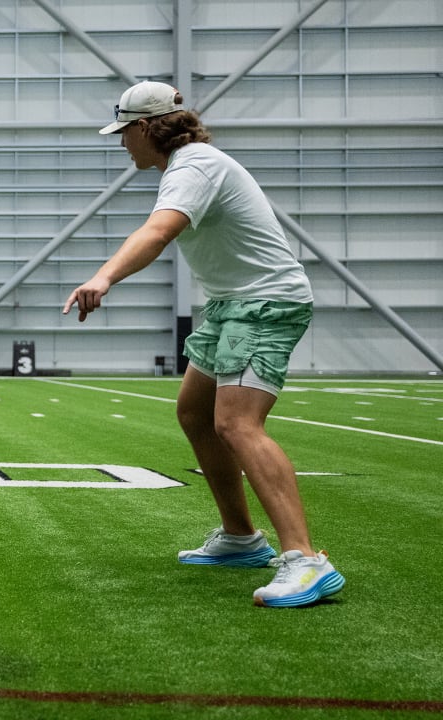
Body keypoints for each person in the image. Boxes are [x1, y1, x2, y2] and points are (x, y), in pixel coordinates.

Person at [62, 81, 344, 608]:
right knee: (194, 413)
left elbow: (159, 231)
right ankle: (240, 539)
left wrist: (103, 277)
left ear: (145, 128)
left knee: (237, 424)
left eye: (124, 133)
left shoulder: (194, 166)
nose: (122, 144)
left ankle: (306, 561)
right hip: (228, 305)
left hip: (263, 304)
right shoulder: (187, 165)